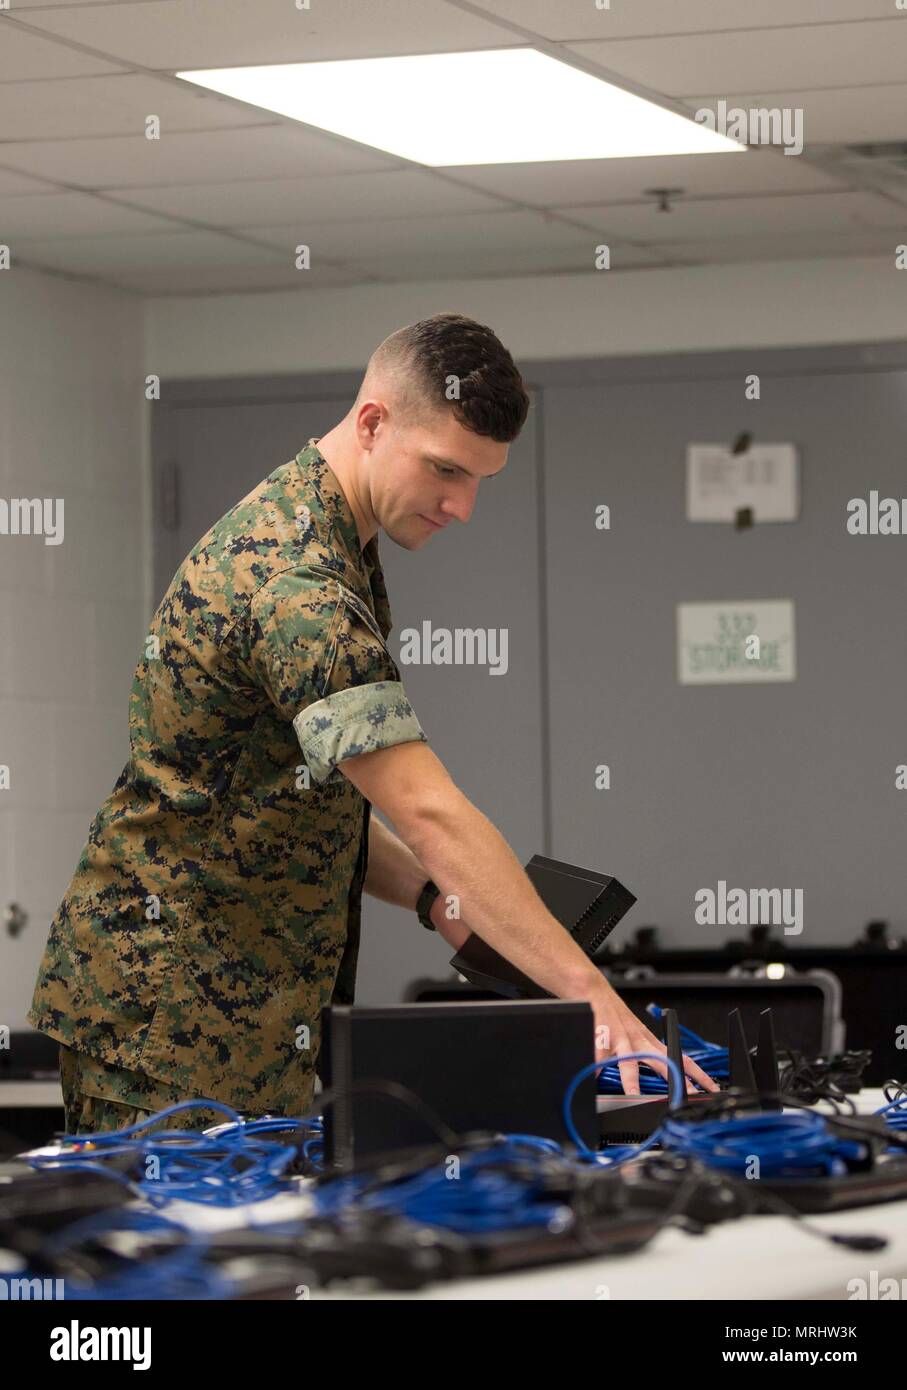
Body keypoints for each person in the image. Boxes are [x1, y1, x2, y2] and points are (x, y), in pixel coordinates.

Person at [29, 312, 718, 1135]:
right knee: (182, 1254)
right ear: (371, 422)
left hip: (242, 1012)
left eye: (479, 481)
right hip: (168, 1022)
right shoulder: (296, 585)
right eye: (444, 470)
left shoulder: (335, 542)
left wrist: (436, 899)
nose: (460, 506)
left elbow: (299, 802)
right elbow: (429, 812)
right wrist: (602, 1012)